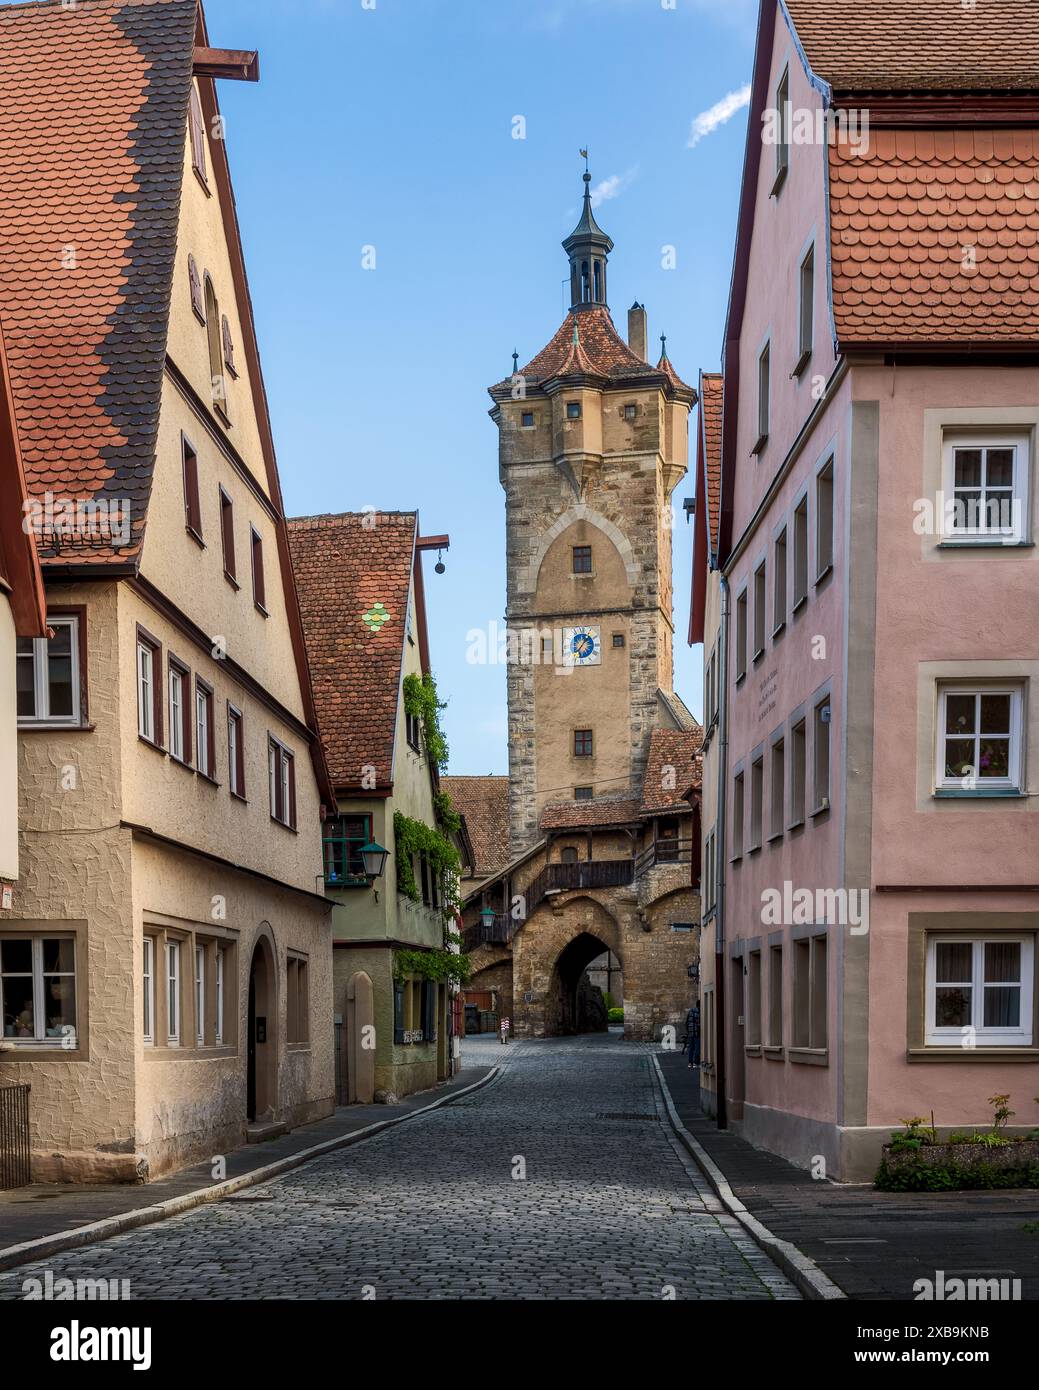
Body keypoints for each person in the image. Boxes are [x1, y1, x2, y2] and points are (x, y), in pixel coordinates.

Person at [684, 1002, 700, 1069]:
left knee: (691, 1048)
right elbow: (699, 1022)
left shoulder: (691, 1011)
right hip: (697, 1032)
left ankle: (690, 1063)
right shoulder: (699, 1011)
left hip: (690, 1032)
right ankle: (696, 1062)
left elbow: (687, 1021)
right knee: (697, 1048)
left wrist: (688, 1030)